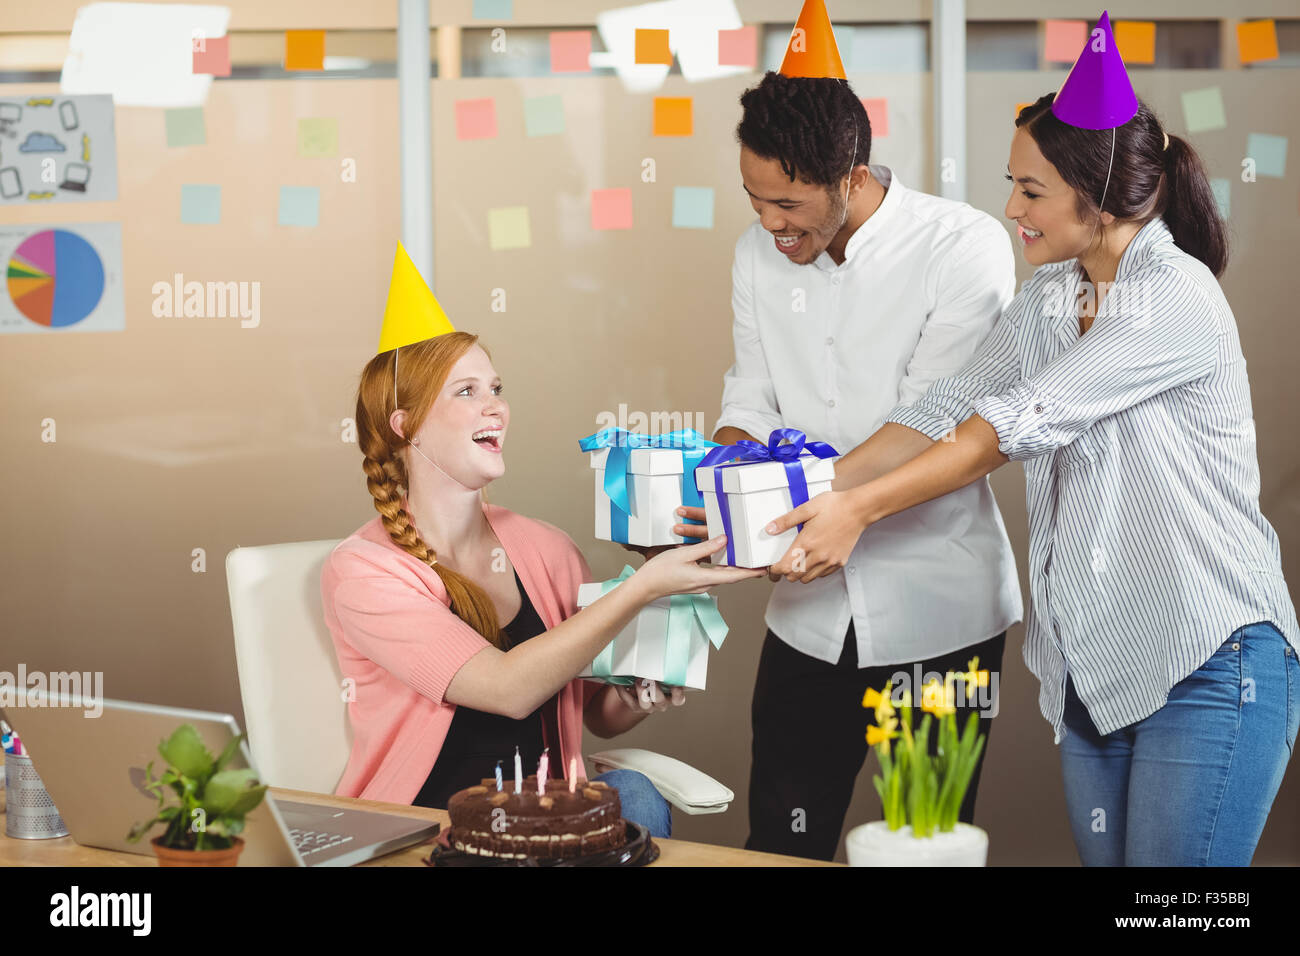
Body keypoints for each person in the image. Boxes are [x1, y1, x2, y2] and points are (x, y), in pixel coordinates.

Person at [762, 14, 1299, 865]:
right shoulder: (1053, 296)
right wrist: (806, 495)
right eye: (1012, 183)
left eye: (1033, 189)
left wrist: (855, 511)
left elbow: (1007, 426)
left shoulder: (1170, 297)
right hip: (1096, 669)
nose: (1011, 207)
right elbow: (947, 407)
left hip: (1208, 659)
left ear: (1103, 190)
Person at [664, 5, 1022, 861]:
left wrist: (793, 496)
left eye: (788, 203)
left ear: (852, 174)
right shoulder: (760, 252)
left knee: (923, 840)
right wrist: (723, 476)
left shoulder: (960, 245)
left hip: (940, 608)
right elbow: (752, 388)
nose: (771, 224)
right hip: (808, 612)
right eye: (754, 200)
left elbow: (935, 417)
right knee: (782, 840)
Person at [320, 246, 764, 837]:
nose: (495, 407)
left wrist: (639, 691)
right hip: (428, 830)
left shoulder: (546, 550)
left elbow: (596, 715)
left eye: (496, 387)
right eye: (467, 392)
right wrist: (641, 589)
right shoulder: (363, 573)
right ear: (406, 426)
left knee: (631, 793)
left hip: (549, 815)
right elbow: (509, 689)